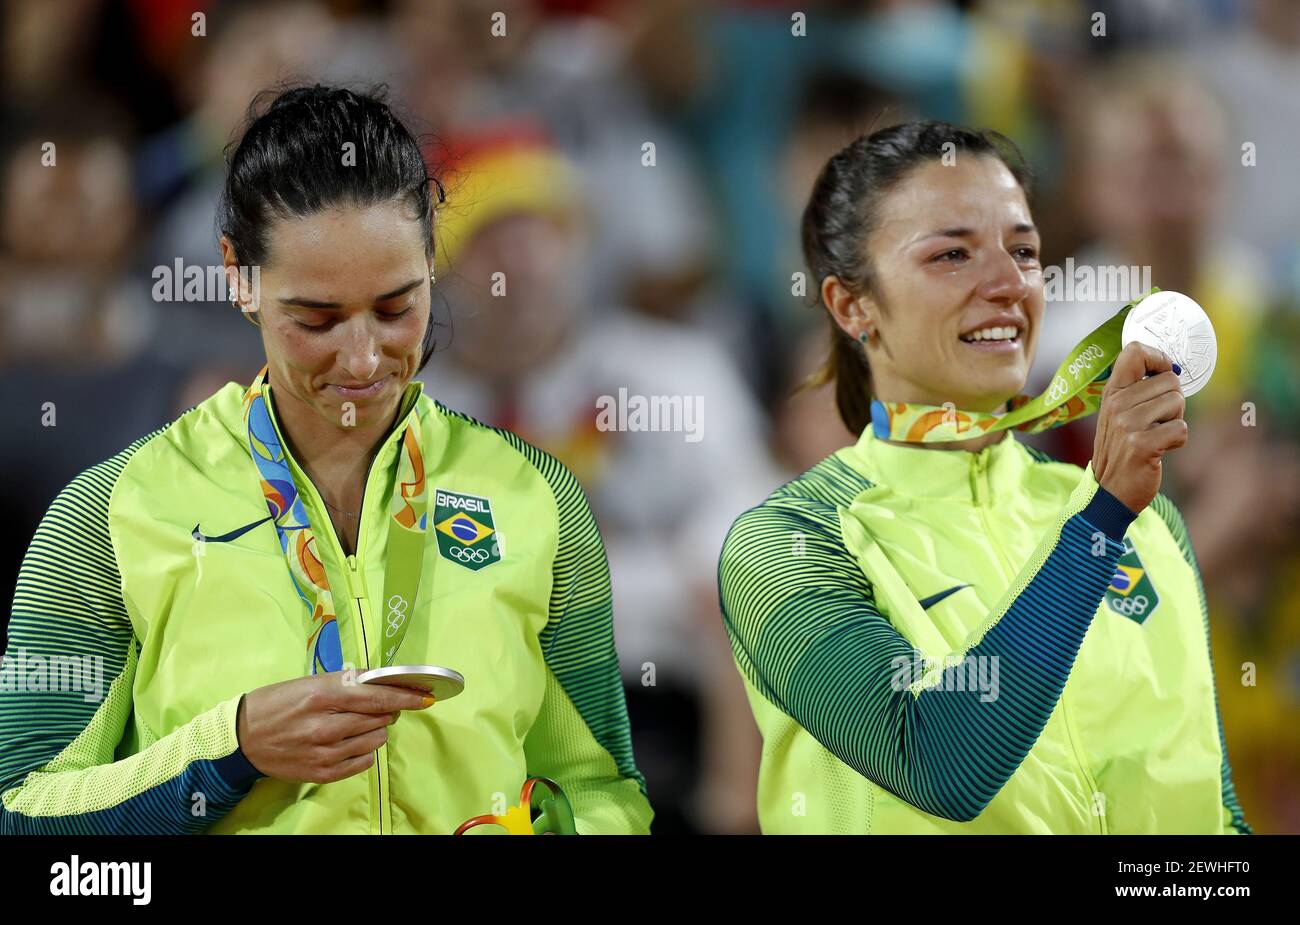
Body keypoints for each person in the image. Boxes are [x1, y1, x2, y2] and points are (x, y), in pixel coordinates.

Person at [0, 84, 651, 835]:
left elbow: (604, 788)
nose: (364, 357)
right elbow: (26, 819)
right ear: (239, 277)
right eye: (317, 318)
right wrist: (228, 751)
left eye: (396, 306)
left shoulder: (535, 496)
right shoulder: (108, 514)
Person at [717, 121, 1251, 834]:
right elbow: (939, 761)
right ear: (853, 306)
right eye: (952, 255)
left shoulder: (1147, 523)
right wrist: (1096, 527)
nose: (1008, 284)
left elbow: (1213, 816)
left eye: (1023, 250)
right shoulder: (786, 542)